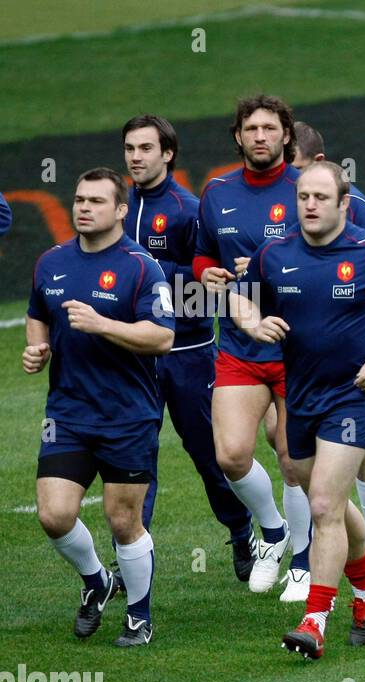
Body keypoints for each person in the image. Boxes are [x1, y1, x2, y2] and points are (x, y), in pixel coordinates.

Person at [235, 161, 365, 659]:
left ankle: (315, 620)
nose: (311, 205)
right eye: (303, 197)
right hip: (301, 393)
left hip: (355, 395)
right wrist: (253, 323)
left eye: (321, 197)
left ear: (345, 204)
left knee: (322, 504)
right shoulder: (274, 254)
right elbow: (241, 297)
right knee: (307, 481)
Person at [25, 168, 175, 646]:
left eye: (95, 200)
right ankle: (97, 581)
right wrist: (38, 347)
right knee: (54, 515)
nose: (83, 208)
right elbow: (37, 315)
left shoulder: (140, 266)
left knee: (122, 520)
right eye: (78, 199)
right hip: (68, 413)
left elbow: (163, 337)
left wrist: (102, 324)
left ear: (120, 210)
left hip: (128, 415)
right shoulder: (51, 262)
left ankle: (139, 615)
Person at [122, 114, 255, 581]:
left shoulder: (187, 208)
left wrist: (149, 276)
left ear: (167, 153)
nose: (136, 157)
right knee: (135, 458)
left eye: (145, 148)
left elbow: (209, 285)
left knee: (209, 454)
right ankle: (130, 555)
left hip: (187, 352)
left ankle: (242, 530)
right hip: (131, 357)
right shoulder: (119, 206)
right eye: (130, 149)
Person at [194, 94, 306, 597]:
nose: (260, 136)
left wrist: (269, 266)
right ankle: (274, 532)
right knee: (232, 455)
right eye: (251, 129)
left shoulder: (308, 190)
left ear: (287, 135)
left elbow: (332, 250)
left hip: (299, 346)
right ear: (238, 137)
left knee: (291, 457)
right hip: (239, 345)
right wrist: (210, 274)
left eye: (269, 128)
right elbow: (200, 257)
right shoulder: (216, 192)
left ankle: (303, 561)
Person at [278, 120, 365, 593]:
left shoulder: (356, 206)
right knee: (296, 456)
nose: (302, 195)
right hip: (301, 358)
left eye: (303, 176)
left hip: (358, 356)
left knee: (356, 449)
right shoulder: (288, 218)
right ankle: (361, 578)